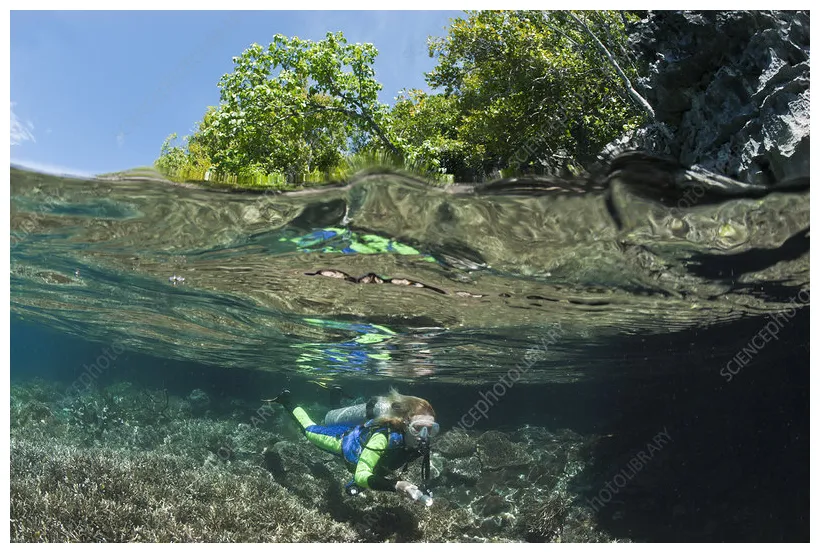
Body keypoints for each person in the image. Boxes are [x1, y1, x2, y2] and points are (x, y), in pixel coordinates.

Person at [264, 388, 439, 505]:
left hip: (359, 435)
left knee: (329, 422)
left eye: (430, 429)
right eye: (418, 428)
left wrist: (424, 490)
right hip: (342, 440)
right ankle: (287, 401)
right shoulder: (382, 438)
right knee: (309, 430)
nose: (424, 437)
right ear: (404, 422)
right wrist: (397, 485)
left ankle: (335, 397)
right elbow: (362, 474)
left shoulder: (419, 442)